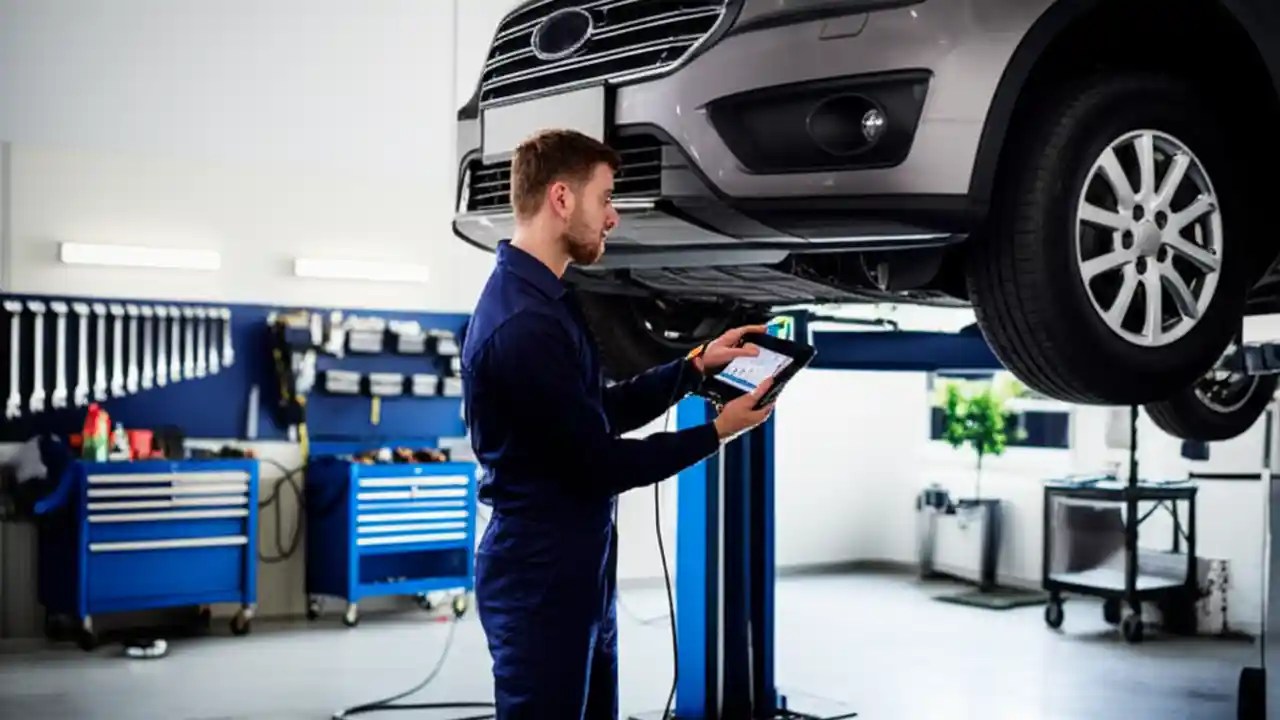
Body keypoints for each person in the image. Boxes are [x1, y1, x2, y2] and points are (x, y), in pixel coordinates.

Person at [460, 128, 778, 720]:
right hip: (541, 573)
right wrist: (717, 431)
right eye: (605, 198)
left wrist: (692, 366)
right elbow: (600, 464)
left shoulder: (546, 300)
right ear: (561, 199)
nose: (613, 217)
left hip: (576, 563)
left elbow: (594, 413)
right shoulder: (523, 324)